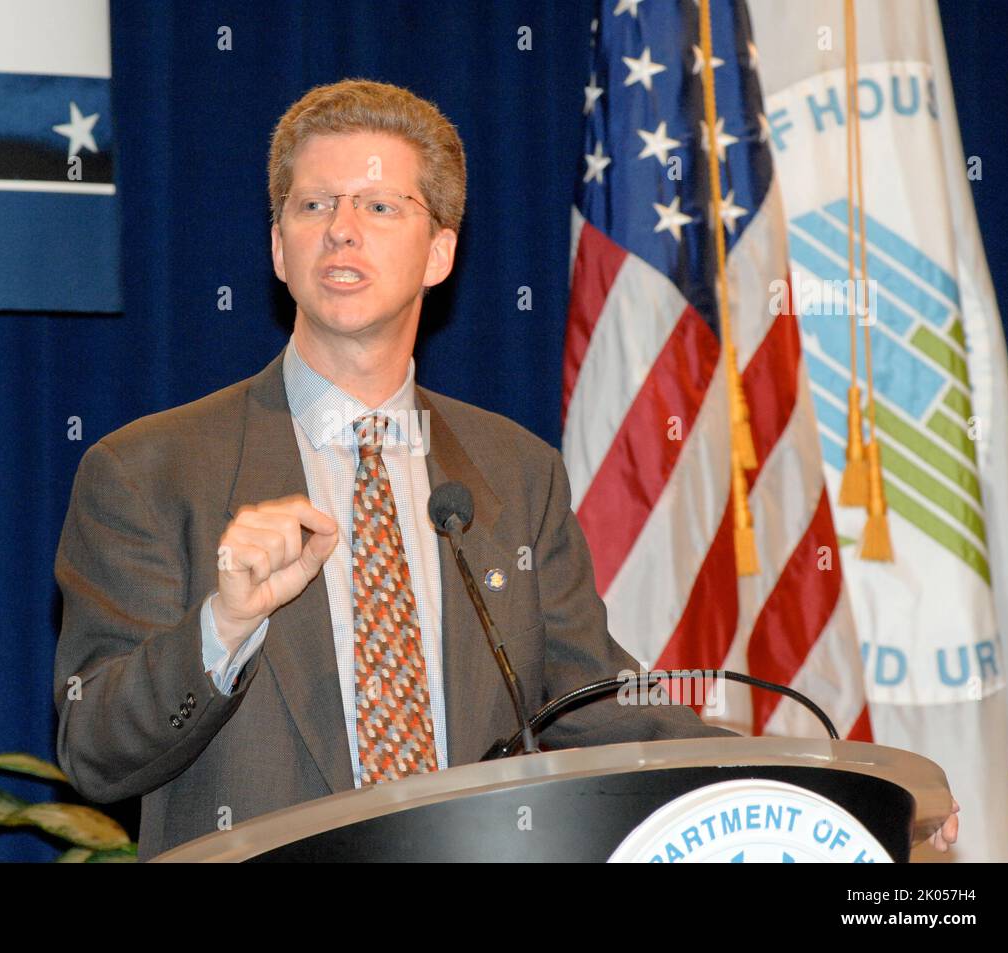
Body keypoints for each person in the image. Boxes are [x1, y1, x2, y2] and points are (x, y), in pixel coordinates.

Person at [52, 78, 957, 860]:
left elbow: (593, 705)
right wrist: (227, 621)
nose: (340, 232)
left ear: (439, 250)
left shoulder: (514, 474)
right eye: (312, 205)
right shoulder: (147, 471)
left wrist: (823, 788)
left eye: (378, 206)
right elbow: (94, 748)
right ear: (278, 247)